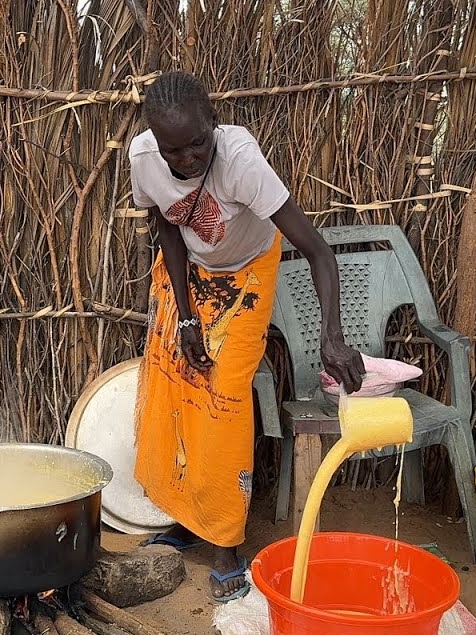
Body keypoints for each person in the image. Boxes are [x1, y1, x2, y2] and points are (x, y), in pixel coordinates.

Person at [129, 72, 366, 602]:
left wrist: (333, 336)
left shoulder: (241, 161)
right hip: (186, 272)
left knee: (224, 397)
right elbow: (168, 226)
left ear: (214, 122)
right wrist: (186, 316)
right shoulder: (144, 159)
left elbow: (318, 251)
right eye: (175, 150)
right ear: (154, 141)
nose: (188, 159)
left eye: (197, 143)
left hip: (248, 272)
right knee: (175, 386)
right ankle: (189, 518)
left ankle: (225, 542)